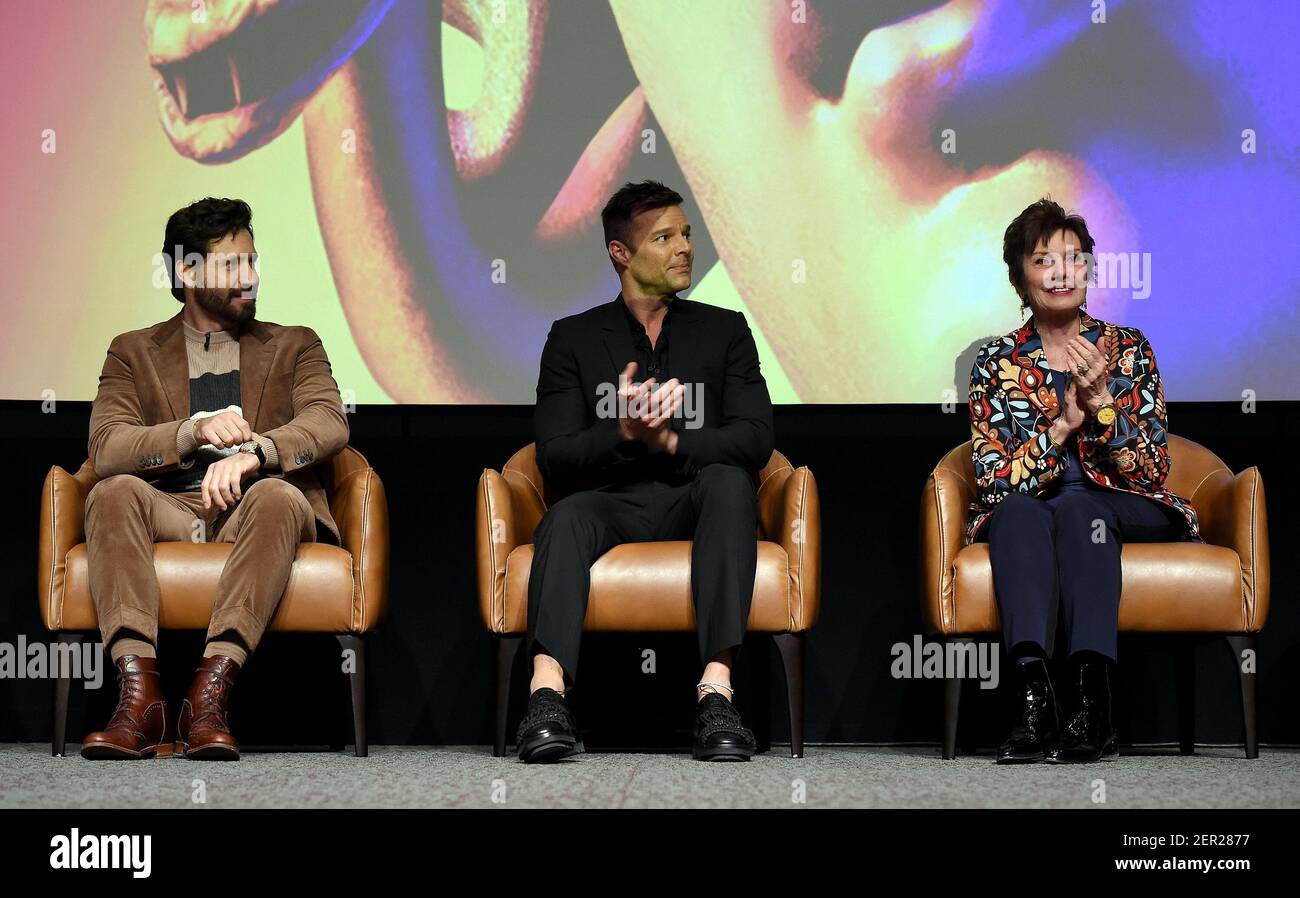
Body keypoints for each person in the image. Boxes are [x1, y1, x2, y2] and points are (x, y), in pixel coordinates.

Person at [81, 197, 349, 760]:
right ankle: (140, 697)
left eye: (252, 262)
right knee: (113, 492)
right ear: (186, 272)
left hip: (257, 509)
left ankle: (211, 693)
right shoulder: (132, 352)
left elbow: (328, 420)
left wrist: (258, 451)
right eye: (231, 266)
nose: (249, 277)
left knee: (276, 494)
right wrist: (191, 432)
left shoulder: (296, 343)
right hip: (171, 508)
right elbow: (107, 447)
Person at [518, 181, 775, 762]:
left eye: (686, 233)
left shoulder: (724, 329)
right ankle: (546, 697)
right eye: (665, 237)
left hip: (696, 494)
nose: (685, 247)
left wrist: (672, 439)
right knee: (564, 517)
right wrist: (626, 433)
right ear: (621, 254)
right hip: (614, 499)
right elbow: (556, 452)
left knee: (731, 483)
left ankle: (716, 694)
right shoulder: (574, 337)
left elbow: (756, 439)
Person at [967, 198, 1199, 763]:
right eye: (1044, 260)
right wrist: (1063, 425)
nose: (1062, 271)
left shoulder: (1129, 349)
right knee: (1018, 511)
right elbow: (995, 480)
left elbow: (1152, 468)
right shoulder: (995, 362)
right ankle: (1033, 704)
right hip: (1033, 505)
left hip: (1122, 502)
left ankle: (1093, 707)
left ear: (1090, 270)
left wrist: (1100, 409)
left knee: (1080, 512)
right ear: (1021, 277)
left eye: (1074, 258)